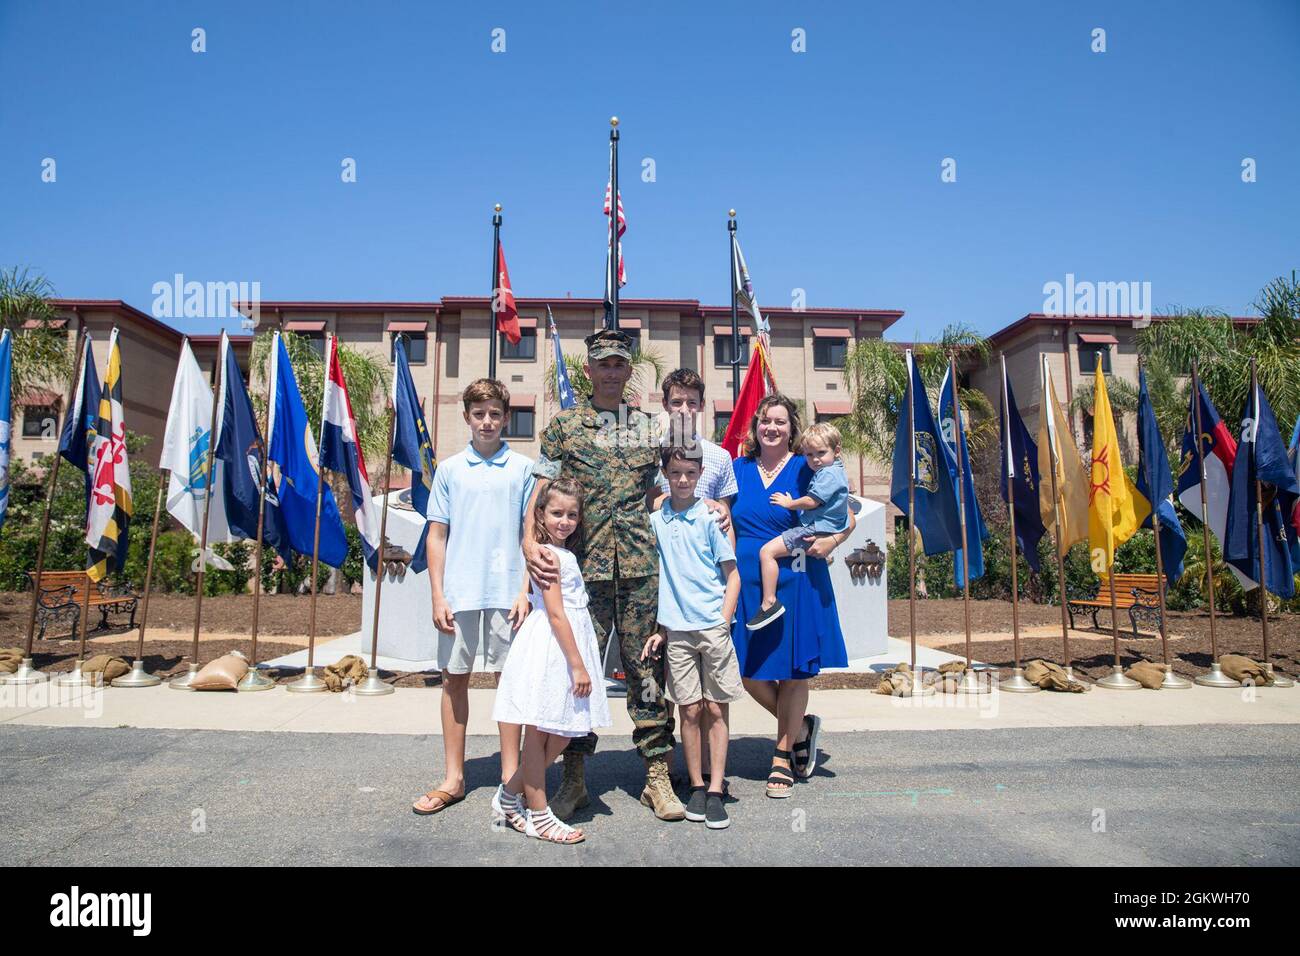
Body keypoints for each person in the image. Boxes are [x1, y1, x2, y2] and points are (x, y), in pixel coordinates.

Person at [523, 328, 684, 822]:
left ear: (628, 371)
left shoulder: (651, 430)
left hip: (639, 568)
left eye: (620, 364)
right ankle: (574, 780)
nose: (612, 372)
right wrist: (528, 539)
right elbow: (543, 488)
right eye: (603, 364)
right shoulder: (564, 427)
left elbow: (667, 488)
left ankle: (657, 777)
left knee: (646, 672)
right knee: (579, 673)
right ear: (588, 371)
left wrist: (707, 510)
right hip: (581, 571)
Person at [413, 379, 534, 817]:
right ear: (466, 417)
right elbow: (437, 535)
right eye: (479, 413)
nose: (487, 421)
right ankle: (454, 777)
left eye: (495, 414)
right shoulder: (448, 470)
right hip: (458, 593)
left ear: (506, 418)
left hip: (508, 594)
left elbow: (530, 535)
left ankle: (511, 780)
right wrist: (437, 595)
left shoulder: (524, 469)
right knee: (453, 680)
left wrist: (524, 590)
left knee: (510, 683)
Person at [729, 394, 853, 797]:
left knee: (793, 670)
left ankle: (782, 755)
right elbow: (721, 514)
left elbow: (847, 513)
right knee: (749, 672)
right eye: (765, 421)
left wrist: (833, 541)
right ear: (755, 427)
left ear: (791, 427)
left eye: (780, 422)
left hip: (799, 577)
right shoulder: (739, 468)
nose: (772, 428)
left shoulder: (808, 466)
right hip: (749, 584)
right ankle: (800, 726)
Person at [493, 478, 611, 844]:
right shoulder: (546, 554)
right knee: (541, 729)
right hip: (552, 647)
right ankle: (539, 813)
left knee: (563, 730)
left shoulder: (563, 553)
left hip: (566, 643)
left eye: (572, 515)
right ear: (540, 514)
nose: (565, 521)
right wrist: (578, 664)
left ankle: (510, 795)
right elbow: (557, 613)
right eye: (557, 513)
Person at [641, 444, 742, 830]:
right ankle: (696, 785)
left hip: (712, 627)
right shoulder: (656, 522)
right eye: (675, 473)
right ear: (665, 476)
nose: (683, 480)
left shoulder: (710, 518)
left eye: (691, 474)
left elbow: (731, 574)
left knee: (716, 709)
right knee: (689, 709)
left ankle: (716, 790)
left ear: (701, 475)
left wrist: (724, 620)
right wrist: (660, 626)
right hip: (676, 631)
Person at [746, 422, 849, 631]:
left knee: (767, 552)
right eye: (810, 455)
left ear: (836, 451)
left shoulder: (828, 474)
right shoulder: (830, 471)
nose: (815, 459)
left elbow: (813, 501)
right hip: (818, 529)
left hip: (812, 530)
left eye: (821, 453)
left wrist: (789, 503)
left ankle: (769, 602)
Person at [654, 367, 738, 506]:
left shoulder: (720, 457)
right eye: (677, 402)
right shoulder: (651, 454)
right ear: (665, 404)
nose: (684, 410)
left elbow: (724, 513)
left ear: (702, 405)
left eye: (691, 403)